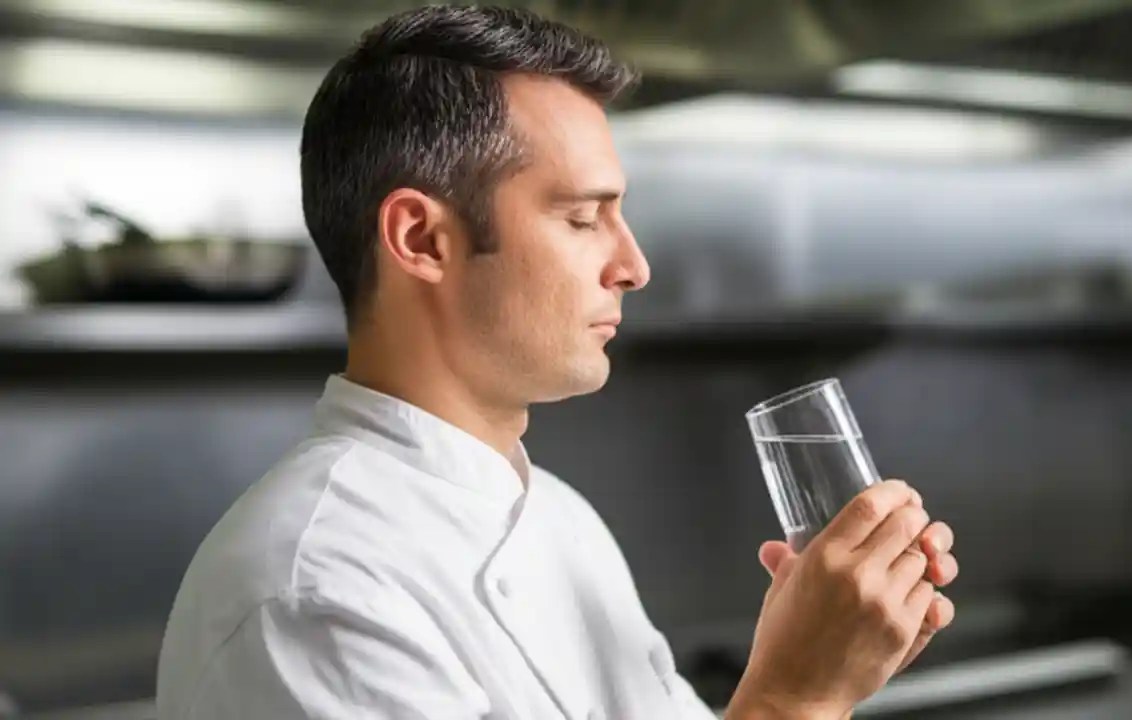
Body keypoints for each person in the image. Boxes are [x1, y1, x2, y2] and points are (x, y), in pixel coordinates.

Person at [156, 5, 959, 719]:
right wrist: (795, 696)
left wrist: (828, 652)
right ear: (422, 240)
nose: (633, 265)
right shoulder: (312, 593)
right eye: (582, 218)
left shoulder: (562, 520)